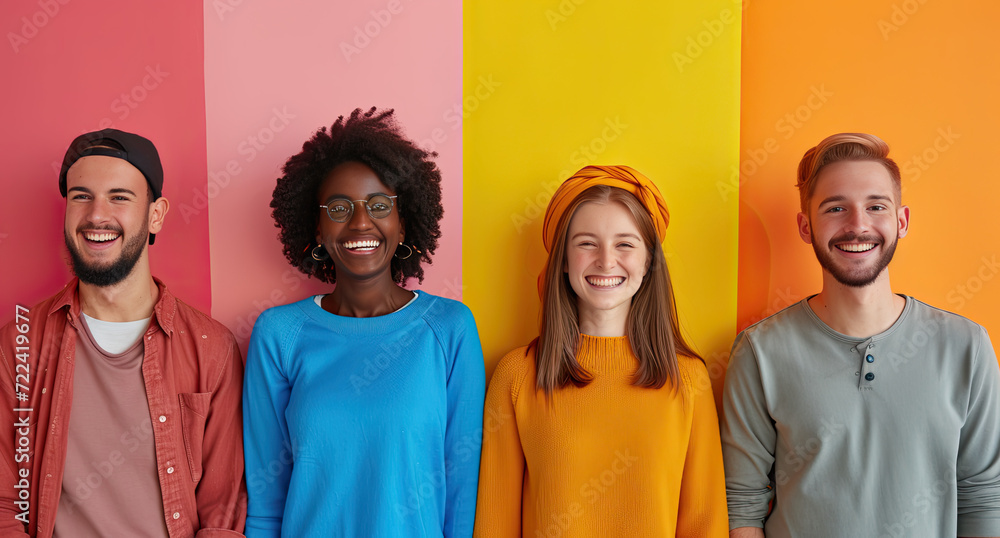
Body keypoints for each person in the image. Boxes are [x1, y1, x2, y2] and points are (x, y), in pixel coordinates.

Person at [721, 133, 1000, 537]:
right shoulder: (760, 352)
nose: (858, 225)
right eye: (836, 208)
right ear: (805, 226)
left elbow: (984, 496)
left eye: (876, 206)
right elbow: (741, 505)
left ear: (901, 221)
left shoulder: (967, 347)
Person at [243, 107, 485, 537]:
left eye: (378, 205)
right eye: (339, 207)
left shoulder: (450, 330)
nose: (359, 222)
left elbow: (462, 496)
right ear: (317, 229)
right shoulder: (278, 335)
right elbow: (266, 501)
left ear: (403, 222)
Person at [0, 129, 247, 537]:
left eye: (119, 197)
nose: (97, 215)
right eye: (81, 196)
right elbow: (4, 502)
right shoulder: (18, 344)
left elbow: (224, 511)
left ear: (156, 214)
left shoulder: (212, 348)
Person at [474, 165, 729, 537]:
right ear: (562, 259)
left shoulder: (688, 379)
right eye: (586, 243)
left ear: (649, 262)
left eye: (625, 244)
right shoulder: (516, 375)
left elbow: (705, 524)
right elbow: (495, 526)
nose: (606, 261)